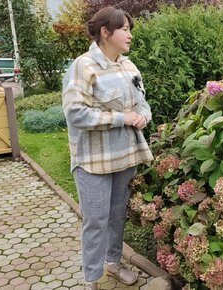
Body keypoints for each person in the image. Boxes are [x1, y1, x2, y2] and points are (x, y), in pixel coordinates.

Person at [62, 6, 154, 290]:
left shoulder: (129, 66)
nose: (129, 35)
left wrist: (142, 116)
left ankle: (113, 264)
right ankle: (92, 279)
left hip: (126, 158)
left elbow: (143, 103)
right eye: (124, 29)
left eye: (129, 29)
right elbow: (75, 113)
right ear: (105, 32)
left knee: (116, 217)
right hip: (94, 163)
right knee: (96, 222)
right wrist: (121, 118)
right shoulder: (83, 66)